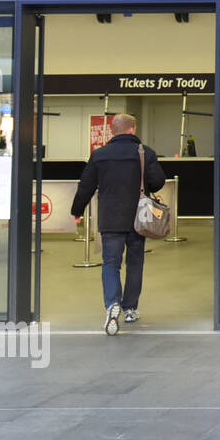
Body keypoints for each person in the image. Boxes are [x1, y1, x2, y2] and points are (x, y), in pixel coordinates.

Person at [71, 113, 165, 334]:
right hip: (138, 218)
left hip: (110, 218)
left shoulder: (99, 155)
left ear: (112, 131)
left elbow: (86, 185)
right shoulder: (145, 153)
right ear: (132, 129)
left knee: (111, 262)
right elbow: (158, 181)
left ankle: (112, 304)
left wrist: (77, 211)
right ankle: (130, 308)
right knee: (134, 262)